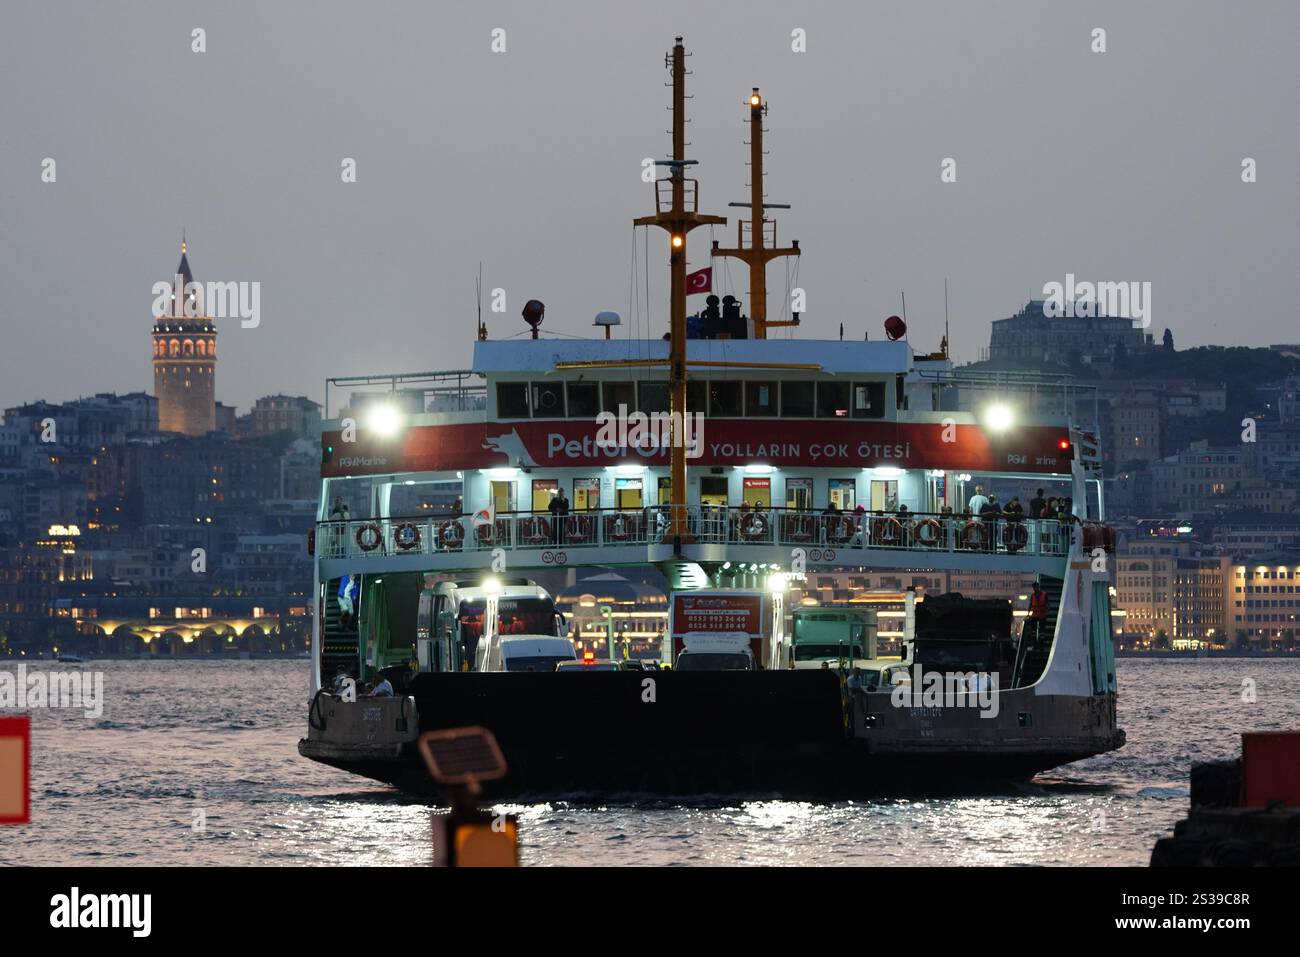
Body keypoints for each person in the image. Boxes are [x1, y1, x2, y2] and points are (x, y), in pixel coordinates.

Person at [1027, 581, 1049, 646]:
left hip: (1042, 614)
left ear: (1038, 587)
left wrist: (1047, 610)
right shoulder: (1032, 595)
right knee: (1033, 630)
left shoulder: (1044, 594)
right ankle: (1035, 643)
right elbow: (1030, 604)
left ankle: (1041, 644)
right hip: (1035, 614)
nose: (1035, 588)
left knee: (1042, 631)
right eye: (1034, 587)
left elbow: (1047, 603)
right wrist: (1028, 613)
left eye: (1036, 587)